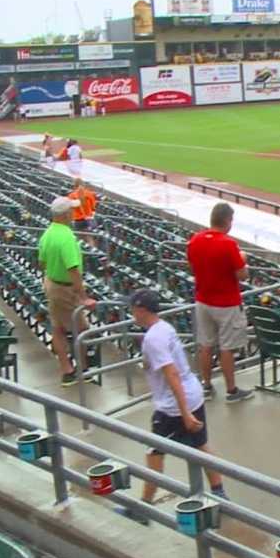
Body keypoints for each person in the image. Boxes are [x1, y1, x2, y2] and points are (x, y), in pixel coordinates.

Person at [121, 289, 227, 523]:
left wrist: (185, 413)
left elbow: (171, 374)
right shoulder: (164, 327)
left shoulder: (153, 339)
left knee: (154, 452)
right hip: (192, 394)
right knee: (200, 444)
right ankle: (220, 493)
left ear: (141, 310)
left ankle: (143, 510)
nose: (131, 313)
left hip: (174, 406)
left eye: (133, 308)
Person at [186, 203, 253, 403]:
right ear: (227, 221)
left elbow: (192, 269)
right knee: (227, 348)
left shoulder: (195, 240)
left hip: (203, 301)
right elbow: (242, 275)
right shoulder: (228, 244)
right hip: (226, 303)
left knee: (205, 345)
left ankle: (206, 386)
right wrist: (244, 260)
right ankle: (231, 391)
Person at [37, 196, 94, 386]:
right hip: (65, 288)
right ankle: (80, 371)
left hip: (51, 283)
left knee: (58, 328)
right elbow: (73, 269)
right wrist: (83, 296)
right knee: (82, 330)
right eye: (71, 210)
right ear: (65, 215)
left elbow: (42, 263)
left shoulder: (48, 234)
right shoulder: (66, 237)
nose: (73, 213)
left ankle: (68, 370)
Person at [69, 178, 98, 245]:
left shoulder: (71, 195)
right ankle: (92, 252)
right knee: (89, 238)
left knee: (80, 239)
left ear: (74, 185)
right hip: (89, 219)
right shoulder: (90, 194)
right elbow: (93, 207)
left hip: (78, 220)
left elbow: (70, 208)